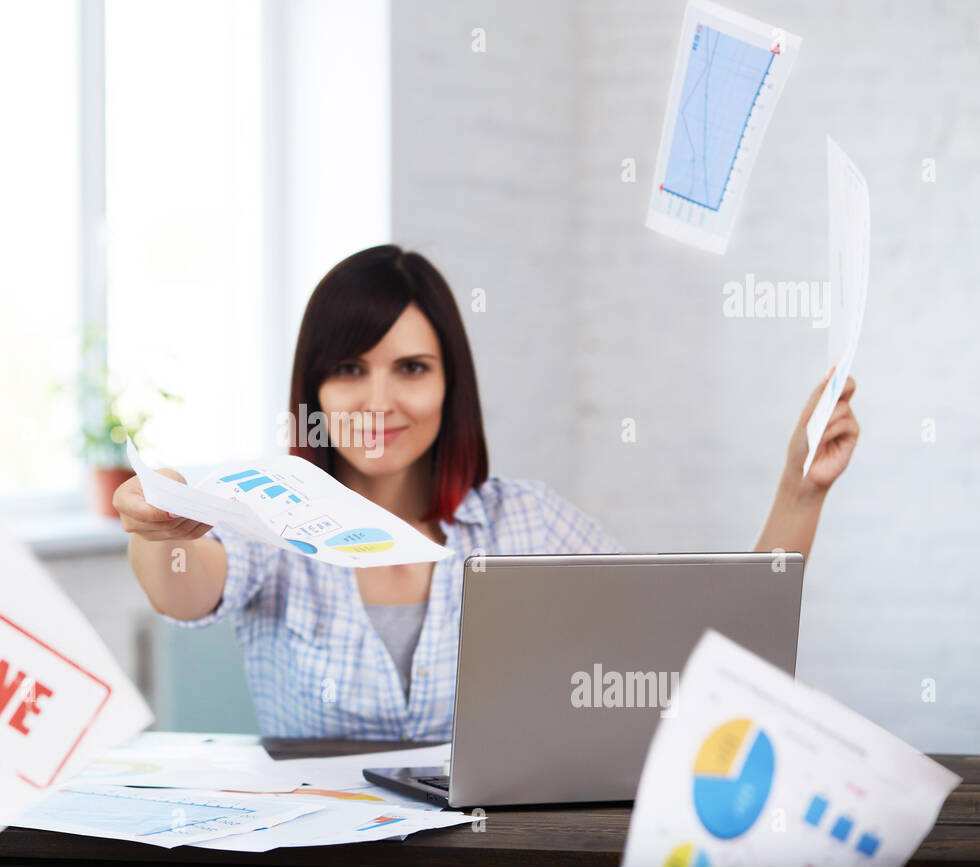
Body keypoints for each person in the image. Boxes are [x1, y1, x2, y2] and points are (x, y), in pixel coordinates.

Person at [118, 245, 859, 740]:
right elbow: (182, 592)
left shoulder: (524, 522)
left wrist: (801, 490)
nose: (380, 400)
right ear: (313, 387)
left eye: (411, 368)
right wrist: (157, 526)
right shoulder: (268, 516)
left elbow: (709, 641)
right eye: (349, 368)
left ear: (450, 385)